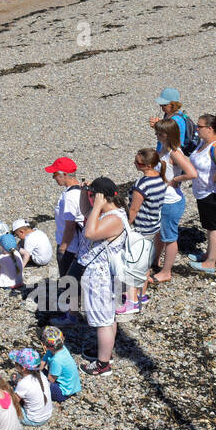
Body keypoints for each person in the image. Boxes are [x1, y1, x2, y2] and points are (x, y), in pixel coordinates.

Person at [79, 177, 130, 376]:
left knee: (103, 321)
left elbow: (90, 233)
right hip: (104, 275)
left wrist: (97, 203)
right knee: (108, 317)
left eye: (93, 195)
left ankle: (103, 365)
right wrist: (85, 194)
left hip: (101, 277)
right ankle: (106, 353)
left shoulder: (113, 219)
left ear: (102, 197)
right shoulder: (110, 212)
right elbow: (86, 214)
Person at [180, 114, 216, 274]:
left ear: (210, 129)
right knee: (210, 226)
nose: (196, 129)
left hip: (214, 193)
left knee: (214, 228)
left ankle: (210, 262)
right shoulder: (204, 142)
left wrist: (213, 178)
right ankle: (207, 255)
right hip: (204, 192)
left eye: (199, 126)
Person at [151, 119, 198, 283]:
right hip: (162, 199)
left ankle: (166, 271)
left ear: (168, 134)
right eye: (156, 132)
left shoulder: (174, 152)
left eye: (160, 133)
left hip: (171, 201)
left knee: (170, 237)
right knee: (159, 233)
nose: (157, 135)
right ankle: (155, 261)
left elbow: (192, 173)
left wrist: (175, 180)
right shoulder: (164, 149)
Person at [122, 148, 167, 314]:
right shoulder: (161, 179)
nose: (134, 163)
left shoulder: (142, 184)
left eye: (137, 162)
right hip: (154, 225)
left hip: (141, 228)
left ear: (146, 165)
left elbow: (133, 210)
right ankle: (142, 294)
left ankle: (132, 301)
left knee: (133, 264)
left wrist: (124, 226)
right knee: (146, 262)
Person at [46, 157, 86, 325]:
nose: (53, 177)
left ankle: (71, 314)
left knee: (69, 279)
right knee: (75, 279)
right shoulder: (80, 190)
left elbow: (70, 226)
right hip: (79, 244)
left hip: (71, 245)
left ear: (64, 175)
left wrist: (63, 247)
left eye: (55, 174)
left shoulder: (70, 197)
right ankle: (74, 310)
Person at [149, 87, 200, 156]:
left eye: (164, 105)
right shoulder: (168, 114)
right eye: (160, 104)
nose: (161, 107)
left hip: (168, 155)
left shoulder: (177, 120)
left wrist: (158, 127)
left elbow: (175, 143)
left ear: (173, 104)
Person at [9, 348, 53, 426]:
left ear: (23, 368)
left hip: (33, 420)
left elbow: (13, 402)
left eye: (16, 363)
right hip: (46, 415)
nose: (14, 364)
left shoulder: (24, 383)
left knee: (8, 408)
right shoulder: (41, 374)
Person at [40, 326, 81, 401]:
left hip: (63, 392)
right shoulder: (60, 348)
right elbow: (44, 360)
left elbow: (51, 379)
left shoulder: (57, 360)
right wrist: (37, 370)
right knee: (37, 372)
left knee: (40, 384)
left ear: (45, 346)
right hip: (68, 385)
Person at [0, 224, 24, 291]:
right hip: (20, 283)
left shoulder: (2, 258)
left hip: (8, 286)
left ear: (1, 246)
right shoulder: (17, 253)